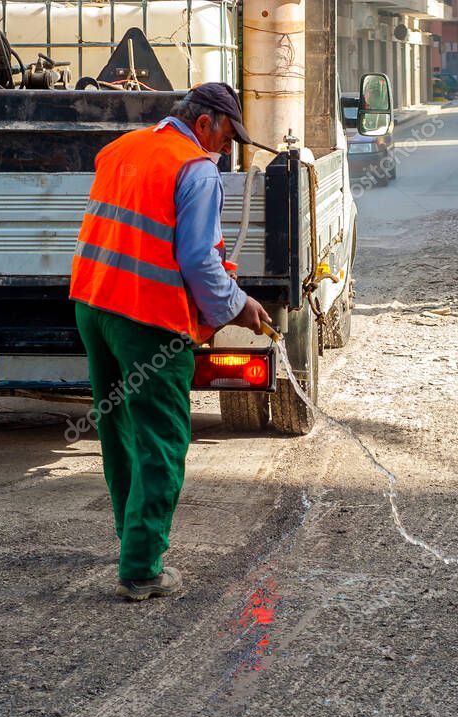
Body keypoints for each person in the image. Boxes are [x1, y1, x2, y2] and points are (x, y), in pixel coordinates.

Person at [69, 82, 271, 602]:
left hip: (94, 304)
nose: (228, 149)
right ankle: (141, 568)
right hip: (146, 318)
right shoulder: (195, 169)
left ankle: (130, 536)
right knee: (162, 439)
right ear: (203, 123)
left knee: (118, 428)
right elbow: (199, 261)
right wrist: (237, 307)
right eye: (227, 136)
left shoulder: (123, 149)